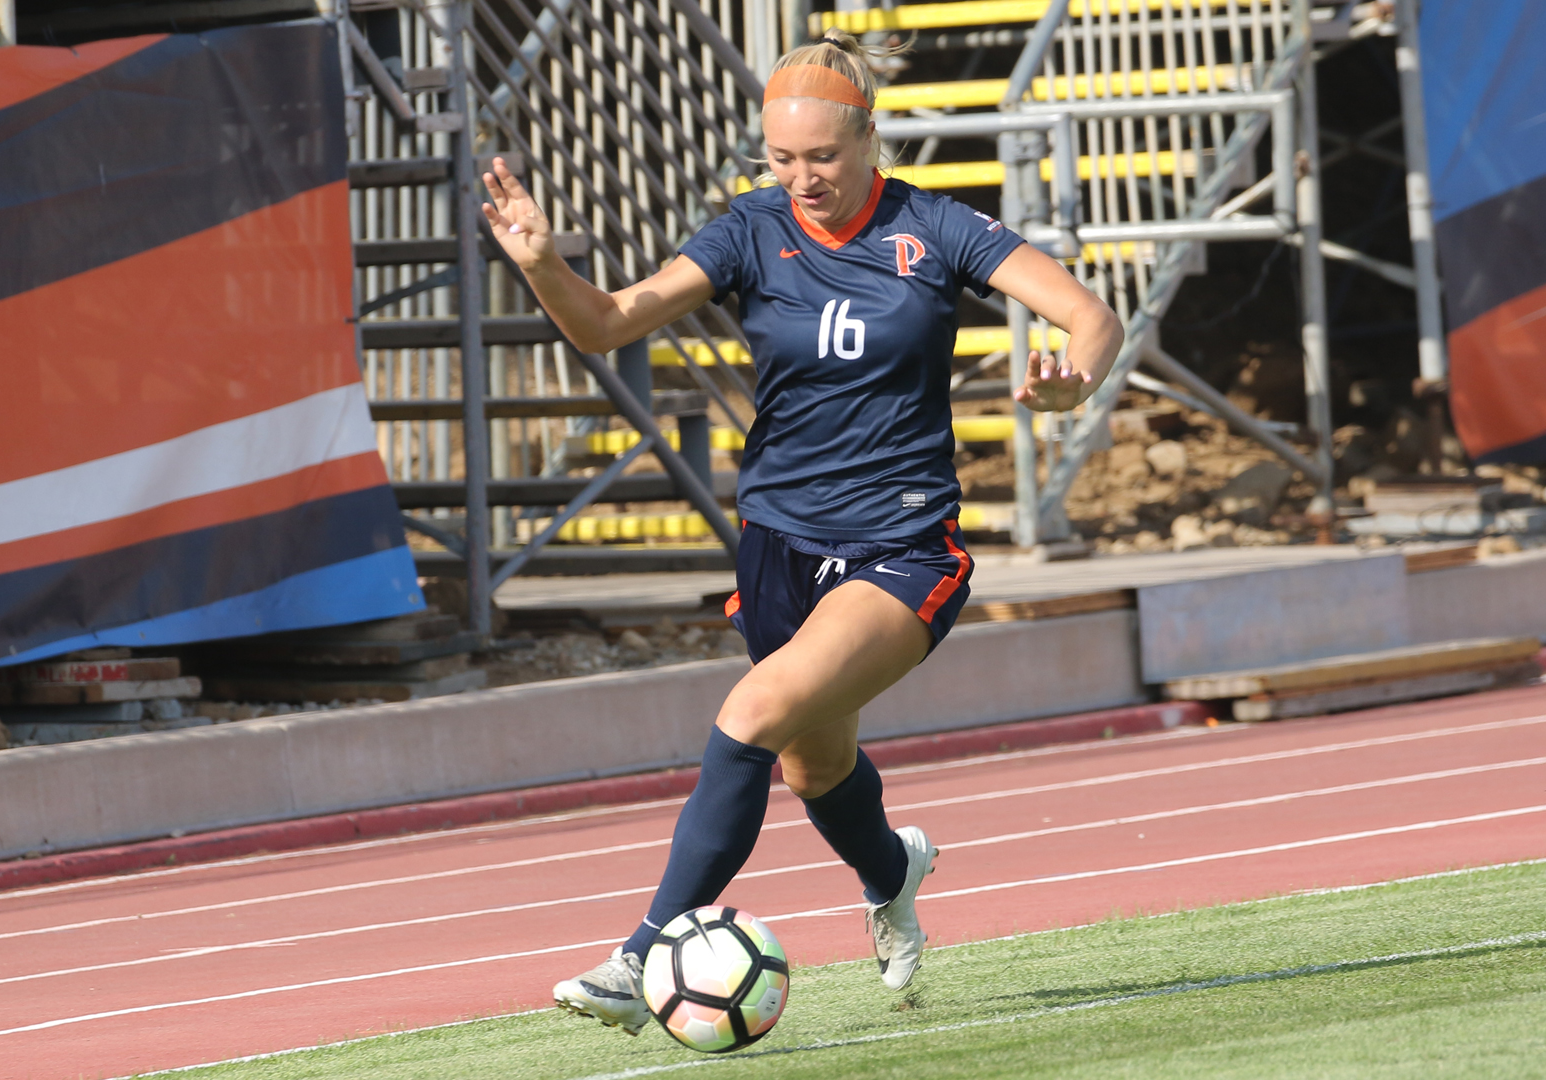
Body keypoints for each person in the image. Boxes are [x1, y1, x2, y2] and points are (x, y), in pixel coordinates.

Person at [481, 30, 1124, 1036]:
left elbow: (1087, 313)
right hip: (780, 542)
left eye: (822, 157)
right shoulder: (748, 232)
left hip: (903, 547)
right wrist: (541, 264)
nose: (801, 178)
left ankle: (641, 954)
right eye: (782, 159)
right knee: (812, 767)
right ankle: (892, 868)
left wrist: (1073, 375)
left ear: (869, 138)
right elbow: (609, 322)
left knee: (753, 711)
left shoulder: (938, 228)